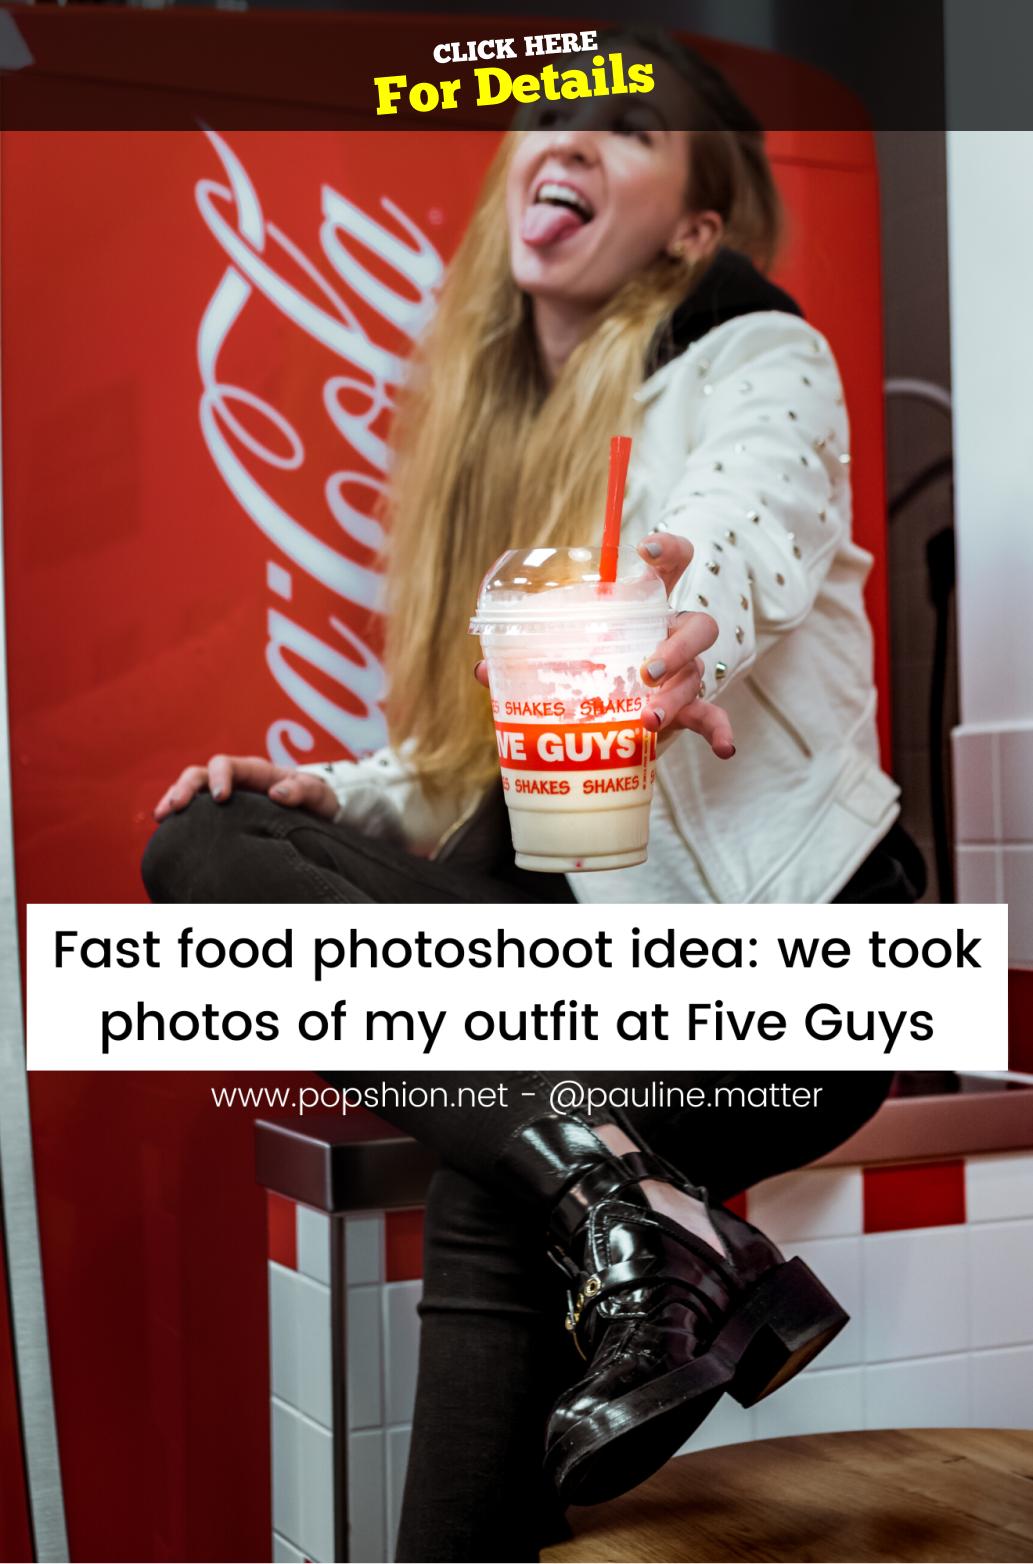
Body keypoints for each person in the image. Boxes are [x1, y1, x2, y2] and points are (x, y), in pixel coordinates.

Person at [142, 32, 925, 1562]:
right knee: (208, 840)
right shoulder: (504, 440)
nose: (564, 143)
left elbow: (743, 515)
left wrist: (683, 604)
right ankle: (639, 1217)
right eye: (548, 118)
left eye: (623, 134)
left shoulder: (755, 355)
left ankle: (629, 1213)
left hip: (791, 963)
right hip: (586, 975)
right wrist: (333, 790)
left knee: (511, 1136)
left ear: (694, 229)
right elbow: (499, 774)